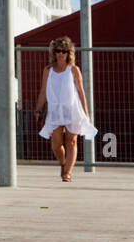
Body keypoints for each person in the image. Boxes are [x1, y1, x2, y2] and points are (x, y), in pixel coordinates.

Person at [35, 36, 97, 182]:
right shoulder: (48, 70)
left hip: (72, 110)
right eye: (57, 51)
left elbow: (81, 92)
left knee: (71, 142)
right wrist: (38, 109)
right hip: (55, 111)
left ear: (68, 53)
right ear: (54, 53)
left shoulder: (74, 70)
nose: (60, 54)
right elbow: (43, 91)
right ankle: (63, 163)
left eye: (63, 51)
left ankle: (67, 173)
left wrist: (86, 113)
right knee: (56, 145)